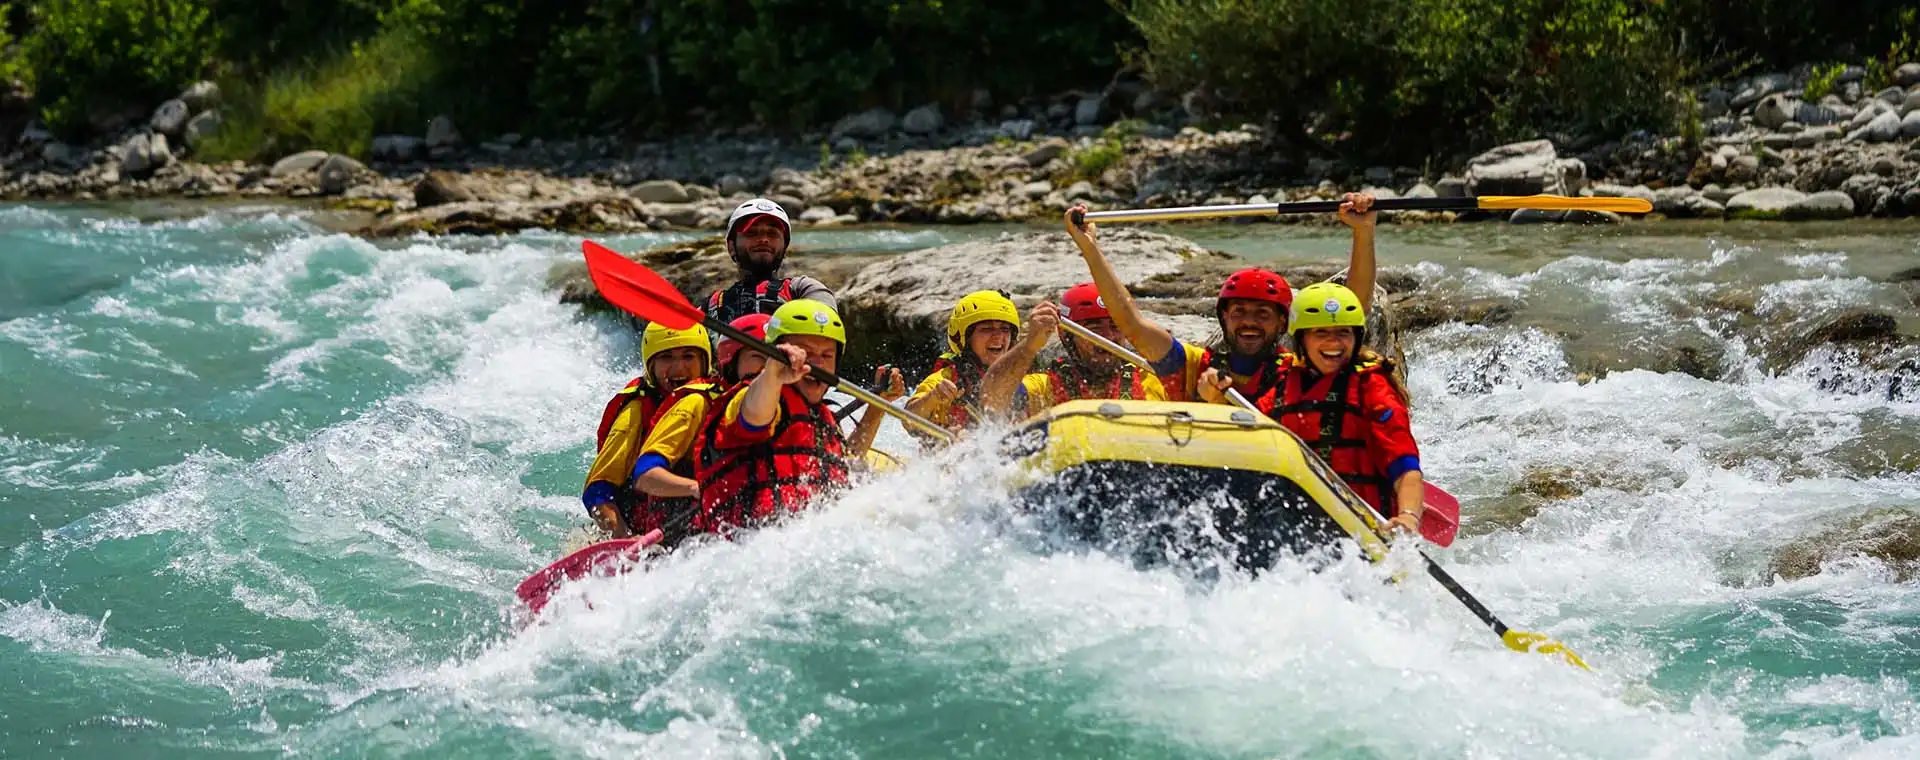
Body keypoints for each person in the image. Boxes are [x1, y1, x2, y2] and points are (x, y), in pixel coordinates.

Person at [1063, 193, 1379, 403]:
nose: (1249, 322)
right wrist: (1090, 248)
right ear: (1223, 318)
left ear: (1283, 323)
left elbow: (1352, 310)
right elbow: (1131, 324)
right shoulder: (1190, 365)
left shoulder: (1299, 369)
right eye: (1239, 312)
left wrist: (1363, 232)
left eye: (1263, 314)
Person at [1204, 282, 1425, 536]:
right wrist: (1216, 400)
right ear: (1301, 339)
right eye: (1321, 332)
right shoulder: (1283, 385)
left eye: (1343, 332)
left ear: (1356, 338)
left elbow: (1405, 468)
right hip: (1294, 528)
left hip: (1360, 528)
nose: (1334, 341)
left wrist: (1408, 516)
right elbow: (1246, 443)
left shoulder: (1372, 388)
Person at [695, 299, 886, 535]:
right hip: (749, 542)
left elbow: (848, 465)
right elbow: (754, 416)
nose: (818, 364)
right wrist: (772, 374)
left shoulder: (822, 416)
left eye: (827, 355)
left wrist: (878, 406)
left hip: (815, 540)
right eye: (806, 353)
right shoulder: (751, 395)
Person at [583, 321, 713, 538]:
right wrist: (623, 536)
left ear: (704, 362)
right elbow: (597, 492)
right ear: (651, 366)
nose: (679, 368)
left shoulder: (717, 398)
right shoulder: (636, 412)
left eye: (688, 356)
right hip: (638, 528)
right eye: (666, 357)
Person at [979, 282, 1168, 421]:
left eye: (1115, 327)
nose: (1108, 337)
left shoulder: (1151, 379)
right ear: (1067, 337)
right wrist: (1030, 345)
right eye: (1094, 329)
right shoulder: (1046, 388)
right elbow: (992, 397)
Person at [904, 289, 1021, 437]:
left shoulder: (1020, 376)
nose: (998, 336)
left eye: (1005, 329)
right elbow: (908, 419)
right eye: (986, 329)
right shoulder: (946, 379)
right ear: (966, 339)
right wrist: (933, 397)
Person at [704, 199, 838, 324]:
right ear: (731, 246)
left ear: (785, 246)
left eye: (772, 234)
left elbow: (826, 329)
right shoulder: (711, 305)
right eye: (752, 233)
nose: (764, 239)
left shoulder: (803, 290)